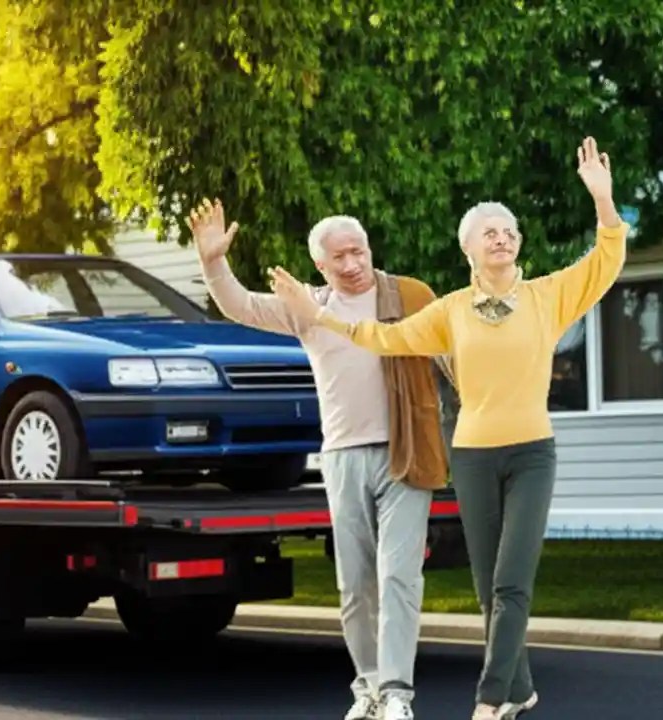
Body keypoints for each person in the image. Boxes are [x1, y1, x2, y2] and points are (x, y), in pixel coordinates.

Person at [266, 136, 625, 720]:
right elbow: (383, 337)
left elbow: (607, 259)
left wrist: (602, 201)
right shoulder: (450, 310)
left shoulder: (546, 298)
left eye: (509, 231)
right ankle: (521, 690)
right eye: (490, 231)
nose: (502, 237)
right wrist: (320, 316)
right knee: (489, 590)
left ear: (518, 245)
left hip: (533, 452)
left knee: (511, 583)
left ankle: (488, 702)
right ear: (469, 250)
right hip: (474, 457)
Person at [189, 199, 453, 720]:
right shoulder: (305, 305)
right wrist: (213, 263)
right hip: (342, 456)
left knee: (399, 577)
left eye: (359, 251)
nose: (353, 264)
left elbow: (452, 352)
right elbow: (239, 305)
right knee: (355, 584)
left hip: (406, 454)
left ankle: (398, 693)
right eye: (340, 258)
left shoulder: (410, 295)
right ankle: (368, 689)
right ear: (321, 266)